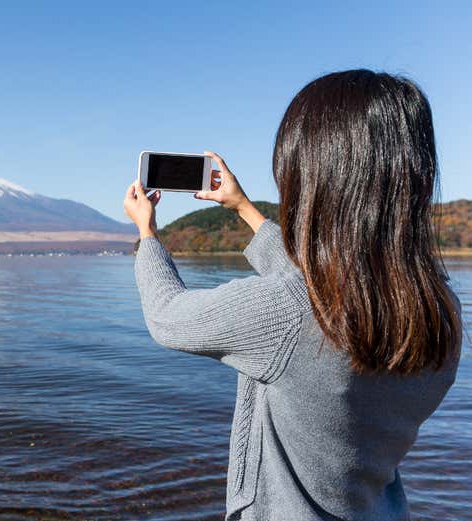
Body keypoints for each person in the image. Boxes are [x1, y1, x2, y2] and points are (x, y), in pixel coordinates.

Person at [123, 69, 462, 521]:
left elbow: (167, 316)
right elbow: (322, 290)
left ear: (316, 175)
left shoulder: (290, 312)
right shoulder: (439, 308)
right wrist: (243, 208)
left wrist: (147, 234)